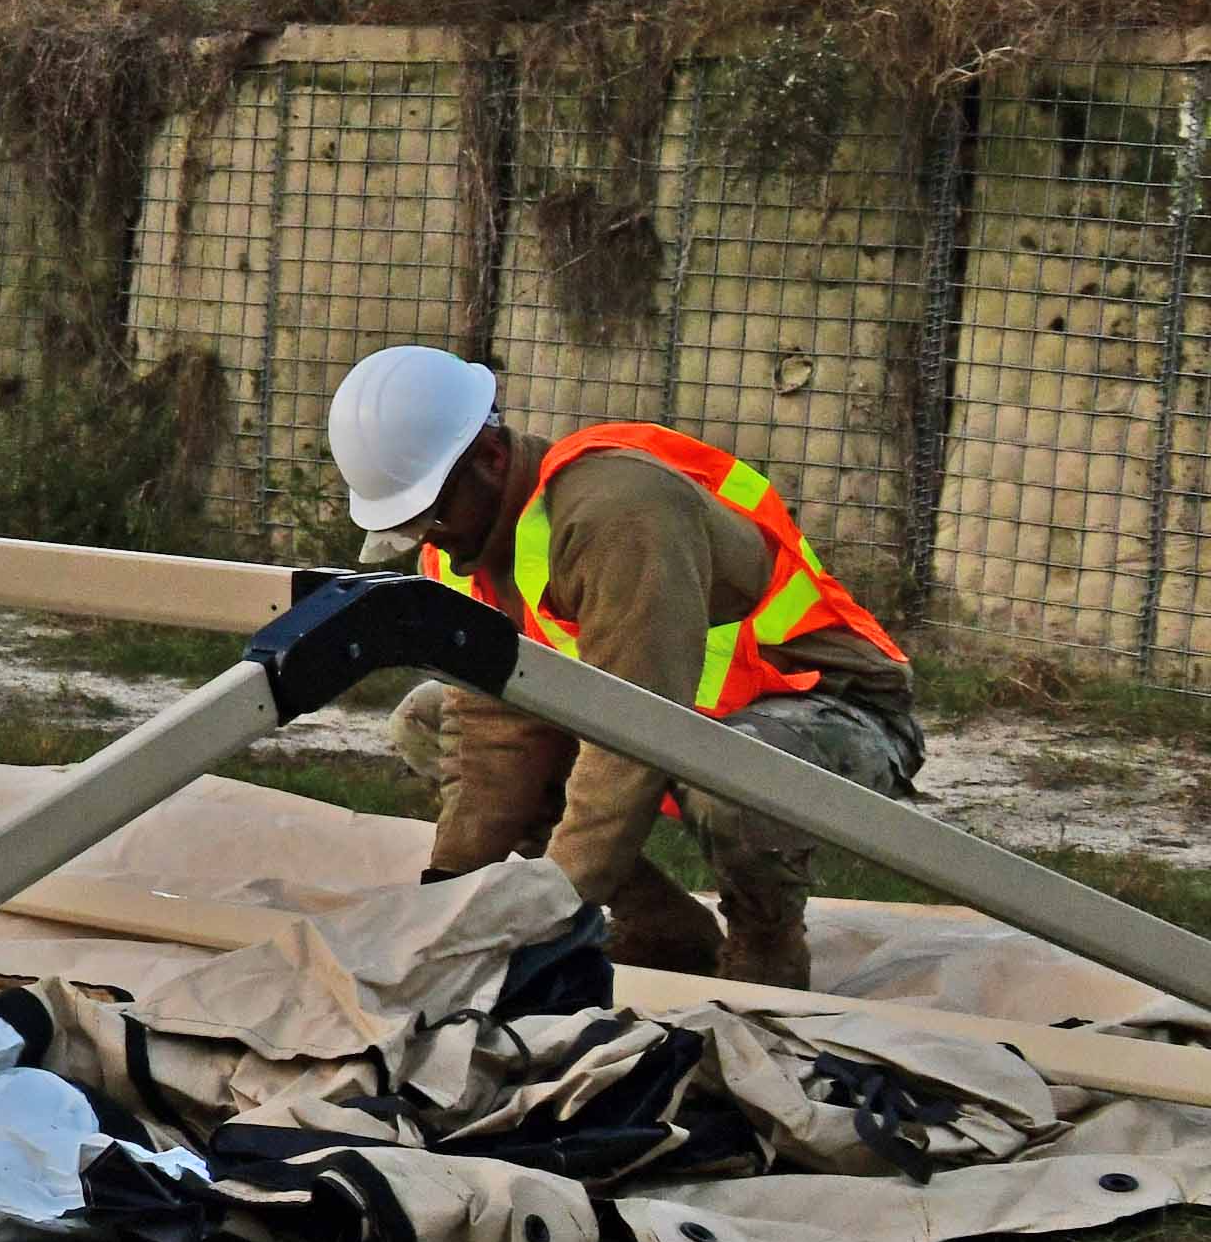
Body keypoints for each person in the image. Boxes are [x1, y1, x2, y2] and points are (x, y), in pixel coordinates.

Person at [329, 345, 922, 989]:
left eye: (431, 513)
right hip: (681, 725)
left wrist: (559, 901)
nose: (426, 536)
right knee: (426, 718)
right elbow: (493, 732)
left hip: (831, 711)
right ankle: (662, 929)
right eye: (409, 523)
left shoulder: (617, 513)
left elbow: (639, 726)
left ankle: (766, 952)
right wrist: (449, 894)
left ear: (493, 461)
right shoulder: (458, 553)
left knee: (729, 775)